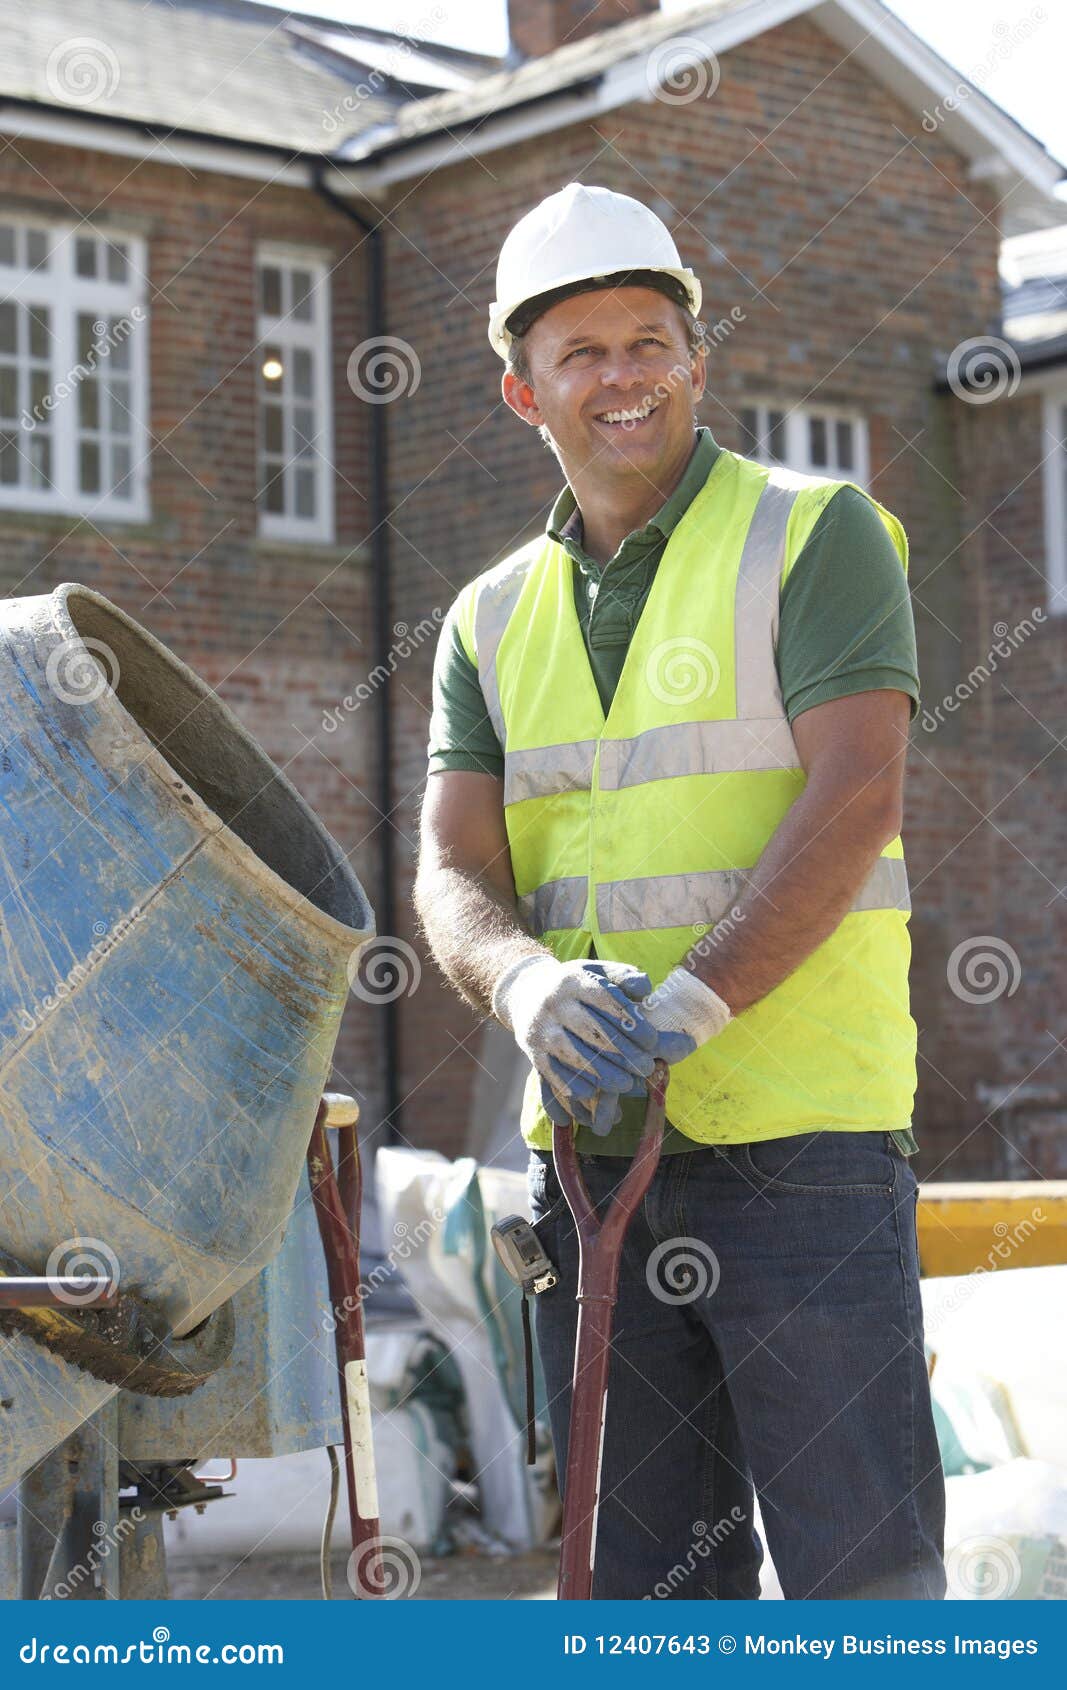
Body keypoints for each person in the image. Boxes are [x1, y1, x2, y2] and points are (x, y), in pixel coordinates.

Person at [414, 181, 945, 1600]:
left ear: (697, 361)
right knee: (643, 1594)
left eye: (651, 340)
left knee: (864, 1582)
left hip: (805, 1149)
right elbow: (456, 864)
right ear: (521, 389)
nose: (624, 375)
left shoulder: (814, 531)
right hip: (592, 1164)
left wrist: (695, 996)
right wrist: (526, 983)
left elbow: (856, 795)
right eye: (581, 353)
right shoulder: (488, 615)